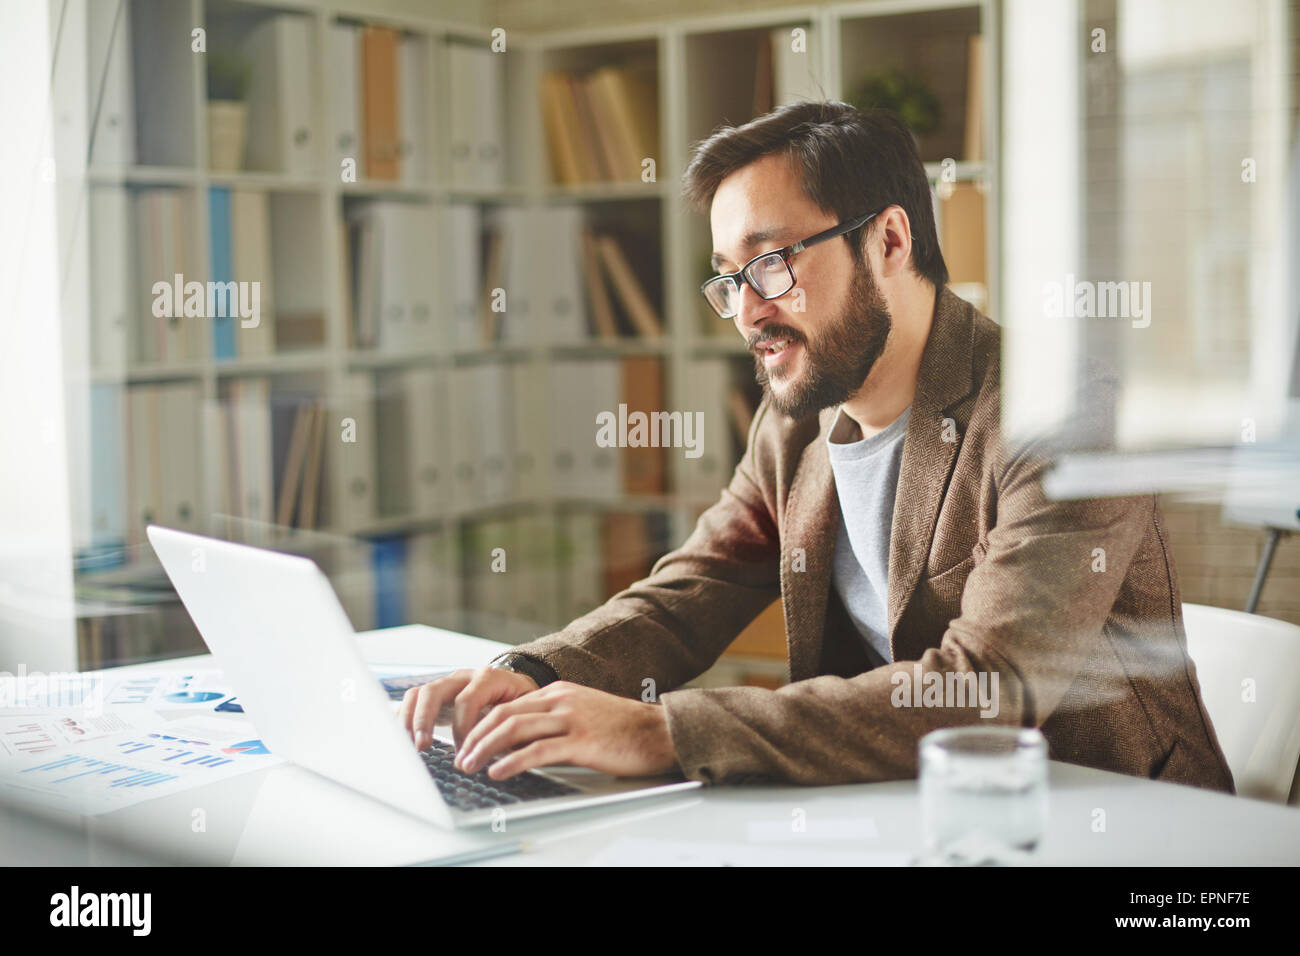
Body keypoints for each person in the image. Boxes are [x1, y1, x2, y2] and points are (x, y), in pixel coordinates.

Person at [400, 101, 1233, 793]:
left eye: (771, 263)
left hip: (1109, 821)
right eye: (729, 278)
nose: (749, 311)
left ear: (890, 242)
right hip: (894, 806)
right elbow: (695, 587)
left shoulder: (1064, 413)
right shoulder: (795, 420)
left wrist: (666, 731)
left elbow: (989, 685)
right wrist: (536, 674)